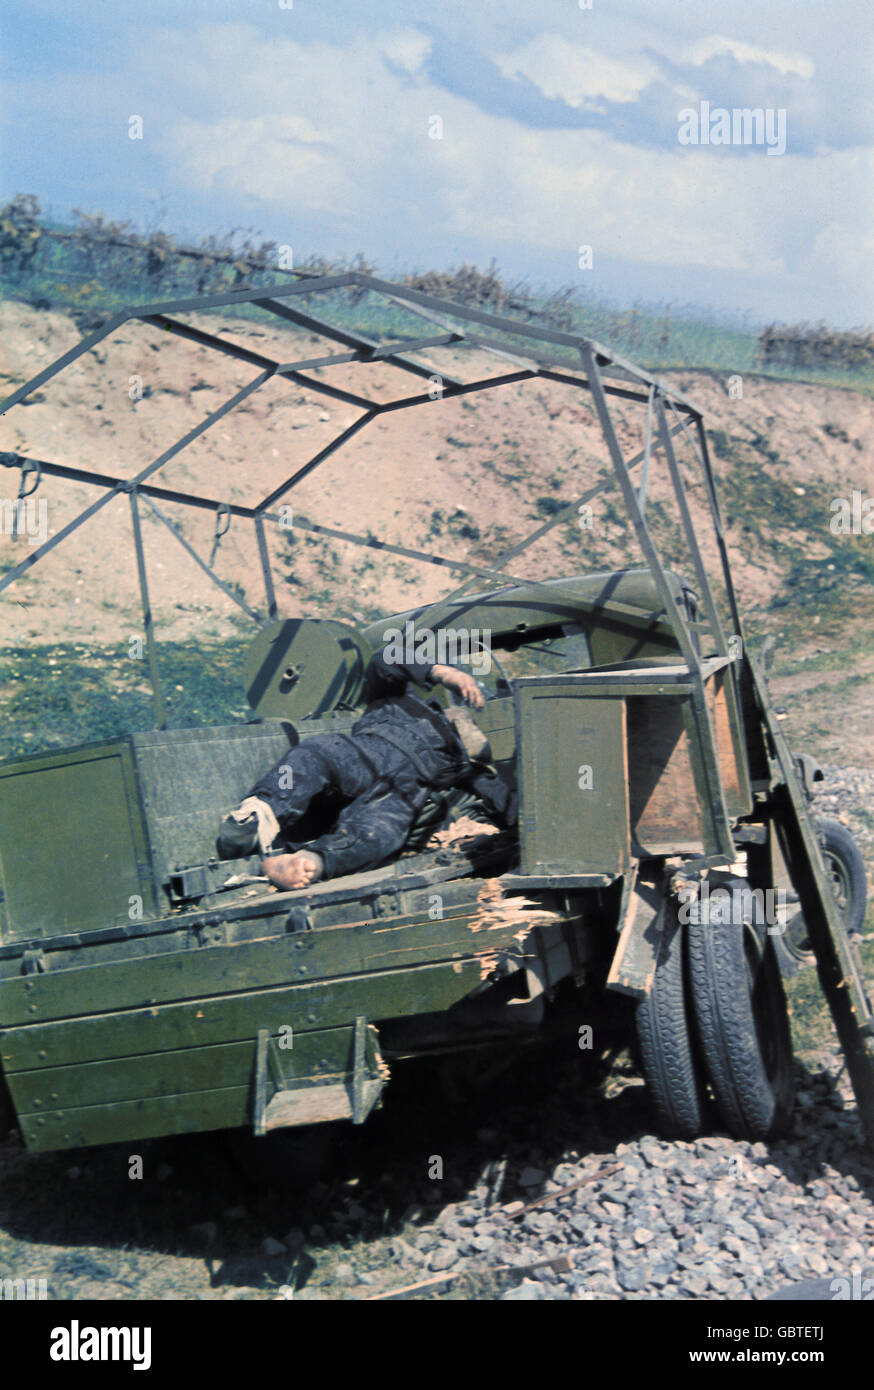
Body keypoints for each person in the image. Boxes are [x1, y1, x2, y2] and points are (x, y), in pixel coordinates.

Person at [218, 649, 517, 891]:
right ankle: (256, 817)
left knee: (379, 837)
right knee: (314, 755)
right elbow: (384, 659)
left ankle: (307, 863)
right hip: (365, 753)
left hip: (403, 793)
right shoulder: (400, 700)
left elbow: (509, 805)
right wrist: (444, 673)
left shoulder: (465, 766)